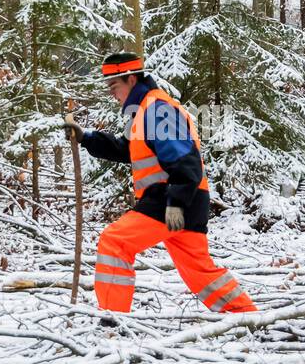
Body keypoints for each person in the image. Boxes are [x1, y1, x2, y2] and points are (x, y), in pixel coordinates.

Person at [63, 53, 256, 317]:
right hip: (187, 198)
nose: (112, 94)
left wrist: (175, 204)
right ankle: (247, 315)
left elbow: (185, 161)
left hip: (170, 198)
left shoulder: (157, 109)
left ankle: (112, 320)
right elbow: (130, 150)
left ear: (131, 79)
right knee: (200, 272)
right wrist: (87, 138)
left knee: (114, 242)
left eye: (114, 86)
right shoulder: (147, 109)